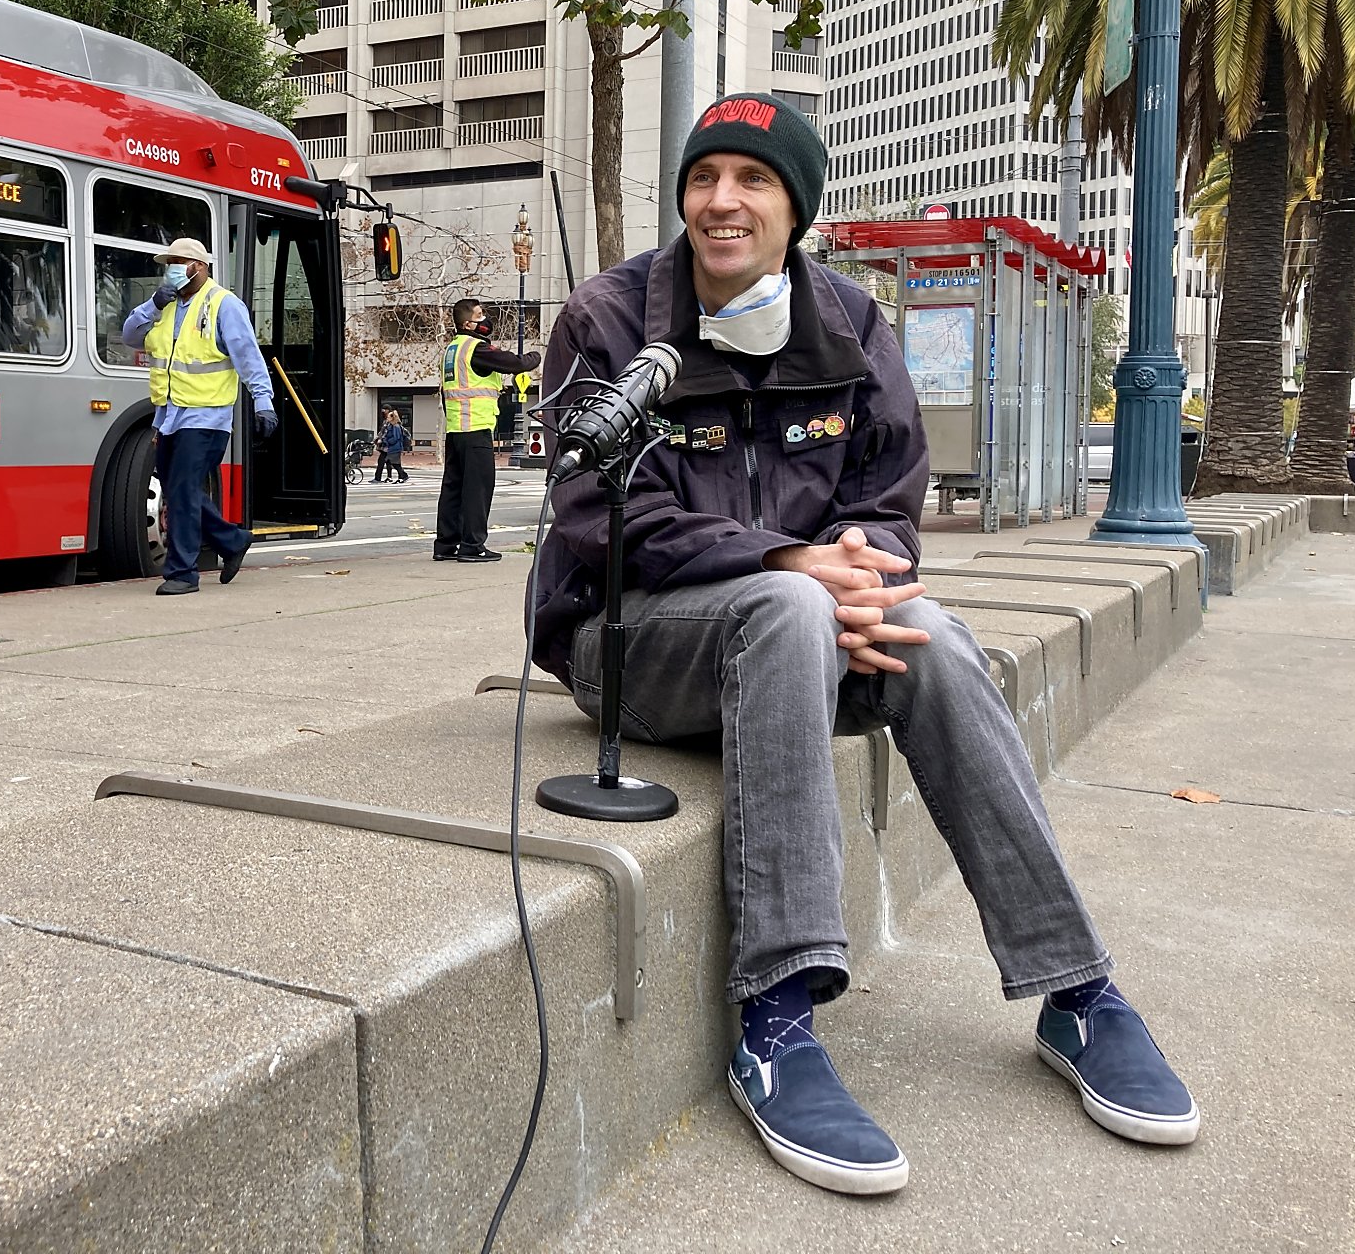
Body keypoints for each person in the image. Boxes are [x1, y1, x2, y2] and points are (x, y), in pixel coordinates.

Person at [530, 93, 1197, 1197]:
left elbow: (889, 496)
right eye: (704, 178)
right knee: (786, 607)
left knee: (927, 629)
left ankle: (1075, 992)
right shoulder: (608, 320)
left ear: (796, 206)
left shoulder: (847, 323)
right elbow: (599, 517)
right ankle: (774, 1017)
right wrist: (784, 563)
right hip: (629, 639)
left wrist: (856, 561)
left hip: (798, 626)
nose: (721, 201)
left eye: (752, 180)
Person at [122, 236, 276, 595]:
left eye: (178, 262)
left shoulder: (224, 305)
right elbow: (129, 336)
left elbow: (248, 356)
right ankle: (232, 539)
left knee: (181, 489)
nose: (171, 269)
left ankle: (183, 573)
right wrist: (152, 304)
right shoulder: (165, 306)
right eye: (168, 263)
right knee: (180, 492)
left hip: (208, 416)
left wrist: (263, 401)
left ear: (200, 267)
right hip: (168, 416)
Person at [436, 298, 540, 562]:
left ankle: (446, 546)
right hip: (477, 428)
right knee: (477, 489)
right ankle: (473, 546)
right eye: (480, 315)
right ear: (467, 323)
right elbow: (516, 363)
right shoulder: (476, 348)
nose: (485, 320)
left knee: (453, 488)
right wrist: (536, 356)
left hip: (456, 429)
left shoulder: (452, 350)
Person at [376, 409, 411, 484]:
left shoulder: (396, 427)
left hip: (395, 447)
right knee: (391, 462)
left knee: (395, 463)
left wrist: (386, 441)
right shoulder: (391, 426)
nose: (387, 419)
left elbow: (396, 438)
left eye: (389, 417)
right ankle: (401, 476)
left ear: (392, 418)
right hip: (392, 447)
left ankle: (404, 476)